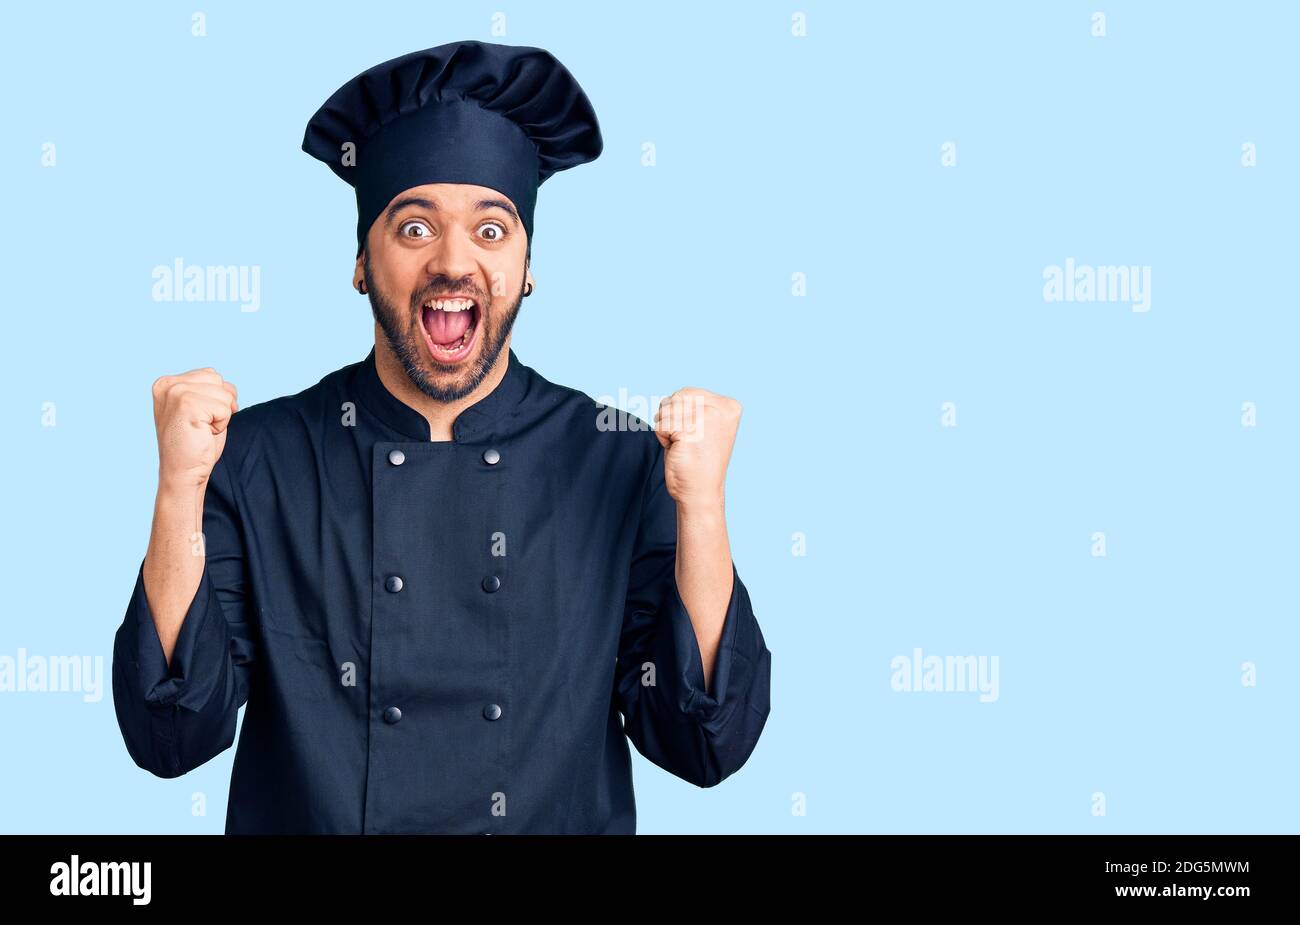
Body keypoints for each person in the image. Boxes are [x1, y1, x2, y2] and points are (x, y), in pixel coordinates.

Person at [111, 39, 772, 834]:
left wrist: (703, 508)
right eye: (414, 227)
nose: (454, 262)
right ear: (361, 260)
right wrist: (178, 488)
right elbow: (170, 733)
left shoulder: (620, 459)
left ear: (528, 265)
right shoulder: (257, 456)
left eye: (492, 230)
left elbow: (706, 739)